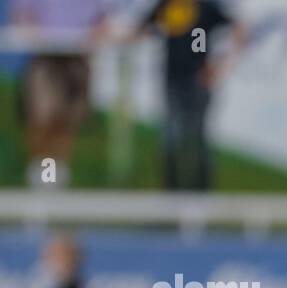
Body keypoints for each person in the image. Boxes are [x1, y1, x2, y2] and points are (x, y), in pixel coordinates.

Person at [135, 0, 246, 190]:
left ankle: (201, 194)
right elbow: (142, 29)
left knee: (198, 138)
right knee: (170, 139)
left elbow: (238, 29)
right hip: (172, 80)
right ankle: (172, 194)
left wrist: (221, 64)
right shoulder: (167, 5)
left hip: (197, 81)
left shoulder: (204, 7)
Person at [11, 0, 109, 187]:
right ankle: (42, 184)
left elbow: (102, 18)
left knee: (66, 125)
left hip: (77, 57)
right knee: (43, 123)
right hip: (46, 58)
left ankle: (56, 184)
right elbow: (23, 16)